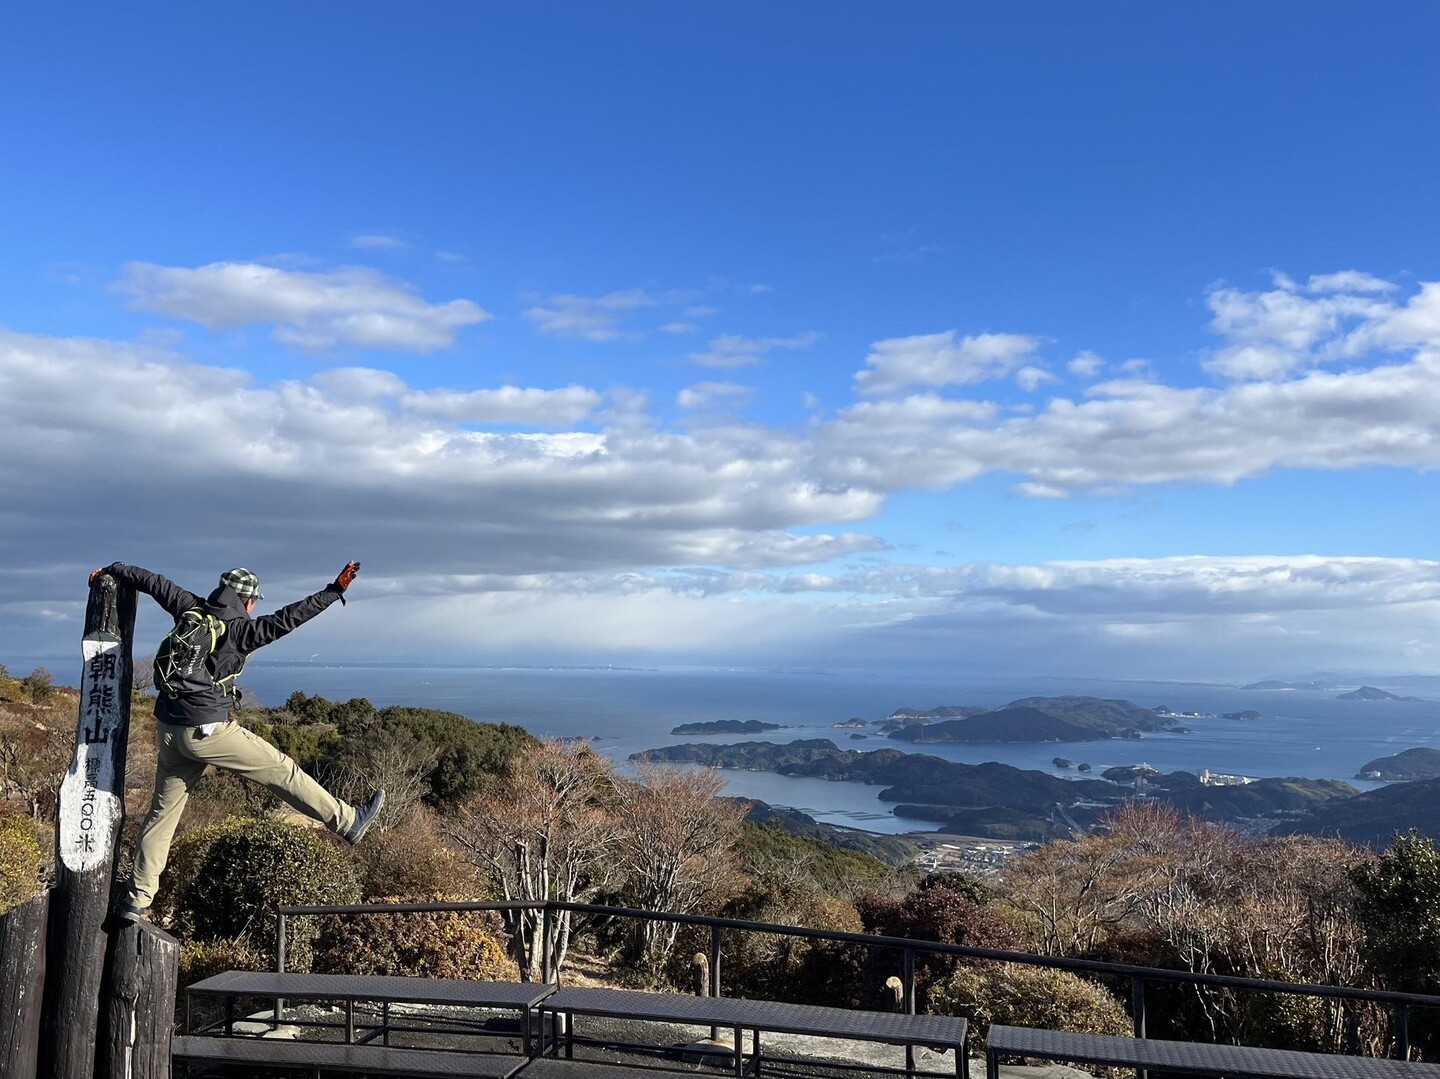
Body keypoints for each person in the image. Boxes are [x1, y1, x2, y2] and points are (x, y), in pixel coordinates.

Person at [89, 560, 385, 923]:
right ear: (247, 600)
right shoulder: (240, 631)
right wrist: (332, 592)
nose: (255, 607)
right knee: (283, 771)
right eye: (254, 601)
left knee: (162, 815)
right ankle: (346, 821)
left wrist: (114, 568)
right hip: (207, 730)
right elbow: (289, 619)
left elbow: (153, 582)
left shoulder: (190, 606)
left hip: (169, 728)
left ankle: (136, 899)